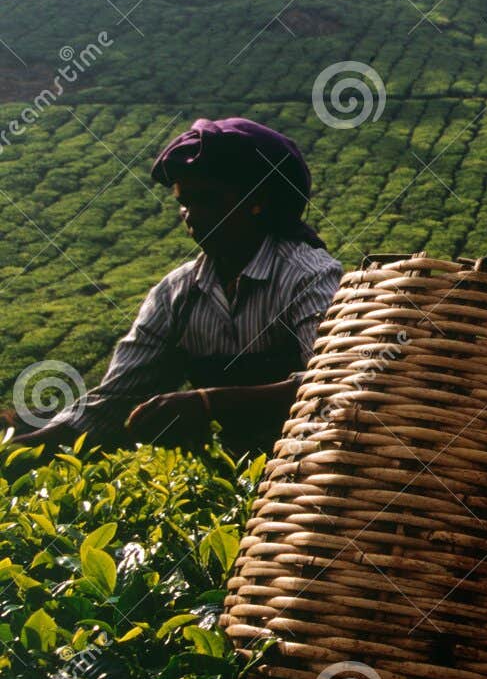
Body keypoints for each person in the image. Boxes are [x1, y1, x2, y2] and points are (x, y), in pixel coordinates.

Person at [5, 117, 342, 459]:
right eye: (184, 202)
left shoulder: (308, 277)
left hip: (313, 469)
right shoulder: (175, 294)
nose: (190, 216)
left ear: (256, 202)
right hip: (231, 480)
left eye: (206, 200)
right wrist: (21, 449)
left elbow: (333, 385)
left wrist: (208, 404)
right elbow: (113, 401)